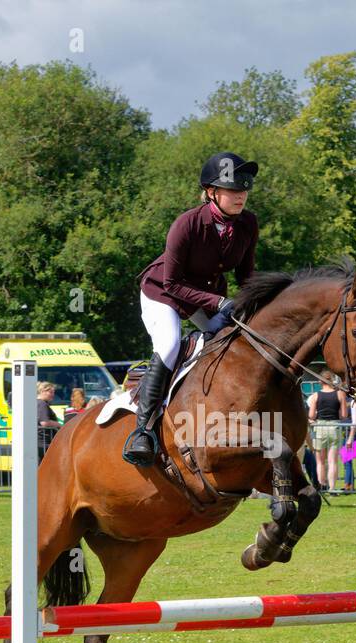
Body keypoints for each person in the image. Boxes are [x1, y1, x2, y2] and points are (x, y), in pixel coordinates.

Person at [125, 151, 260, 466]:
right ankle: (143, 430)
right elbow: (172, 283)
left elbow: (246, 276)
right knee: (170, 343)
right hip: (163, 293)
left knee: (232, 342)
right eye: (233, 190)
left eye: (244, 189)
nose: (241, 195)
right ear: (212, 192)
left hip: (205, 297)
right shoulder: (187, 224)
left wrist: (255, 306)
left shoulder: (248, 224)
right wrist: (218, 303)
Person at [307, 374, 345, 492]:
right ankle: (332, 488)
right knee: (333, 460)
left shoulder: (315, 396)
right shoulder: (340, 394)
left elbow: (311, 415)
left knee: (320, 461)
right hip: (335, 427)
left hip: (320, 427)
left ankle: (321, 486)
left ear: (320, 381)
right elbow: (344, 415)